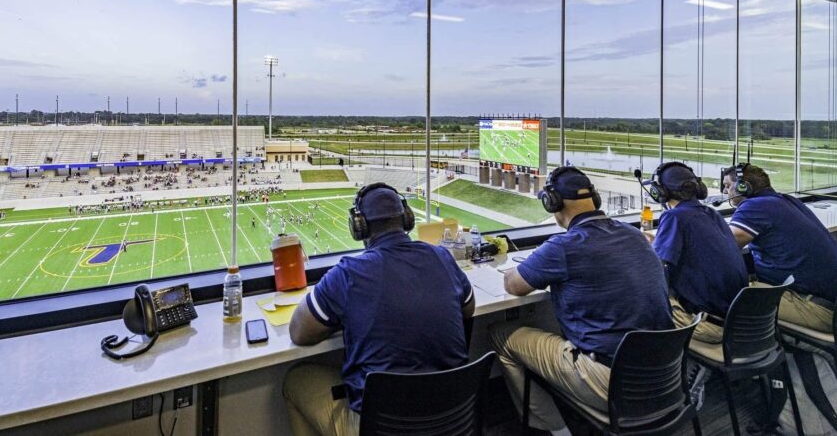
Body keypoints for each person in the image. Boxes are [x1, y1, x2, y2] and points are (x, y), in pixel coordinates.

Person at [491, 166, 672, 436]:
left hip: (612, 382)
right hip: (665, 375)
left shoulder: (562, 247)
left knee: (501, 334)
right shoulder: (635, 235)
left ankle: (557, 430)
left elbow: (514, 286)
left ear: (552, 202)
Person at [284, 183, 474, 436]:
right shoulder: (442, 257)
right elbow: (467, 309)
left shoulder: (348, 273)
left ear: (358, 226)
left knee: (296, 380)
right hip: (453, 419)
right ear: (406, 219)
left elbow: (299, 332)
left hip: (385, 428)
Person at [723, 163, 837, 332]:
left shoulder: (754, 207)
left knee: (728, 294)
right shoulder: (787, 200)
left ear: (743, 187)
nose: (725, 193)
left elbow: (724, 248)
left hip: (820, 309)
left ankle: (759, 352)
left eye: (728, 186)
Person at [645, 162, 748, 343]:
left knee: (641, 299)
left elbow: (655, 267)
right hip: (737, 320)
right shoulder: (711, 213)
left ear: (660, 192)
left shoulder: (674, 217)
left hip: (708, 324)